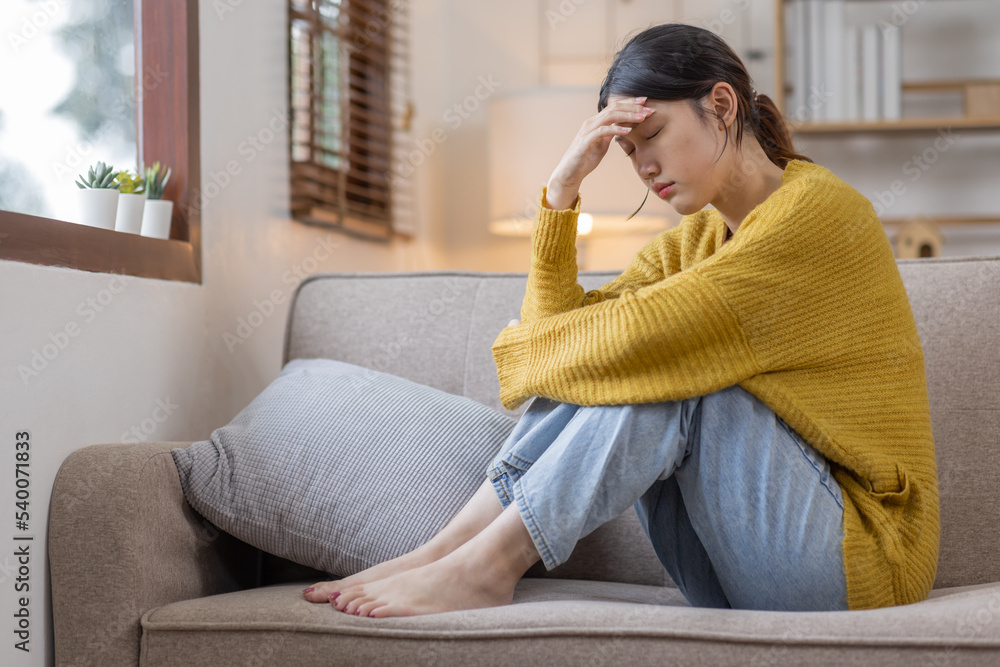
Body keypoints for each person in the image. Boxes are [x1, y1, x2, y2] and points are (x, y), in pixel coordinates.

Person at [303, 23, 938, 617]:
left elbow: (619, 342)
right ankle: (446, 552)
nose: (641, 167)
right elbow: (568, 347)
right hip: (733, 565)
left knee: (671, 369)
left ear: (721, 105)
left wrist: (533, 352)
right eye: (628, 150)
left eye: (652, 135)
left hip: (859, 568)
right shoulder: (693, 241)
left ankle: (487, 566)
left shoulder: (820, 215)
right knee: (626, 361)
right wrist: (560, 196)